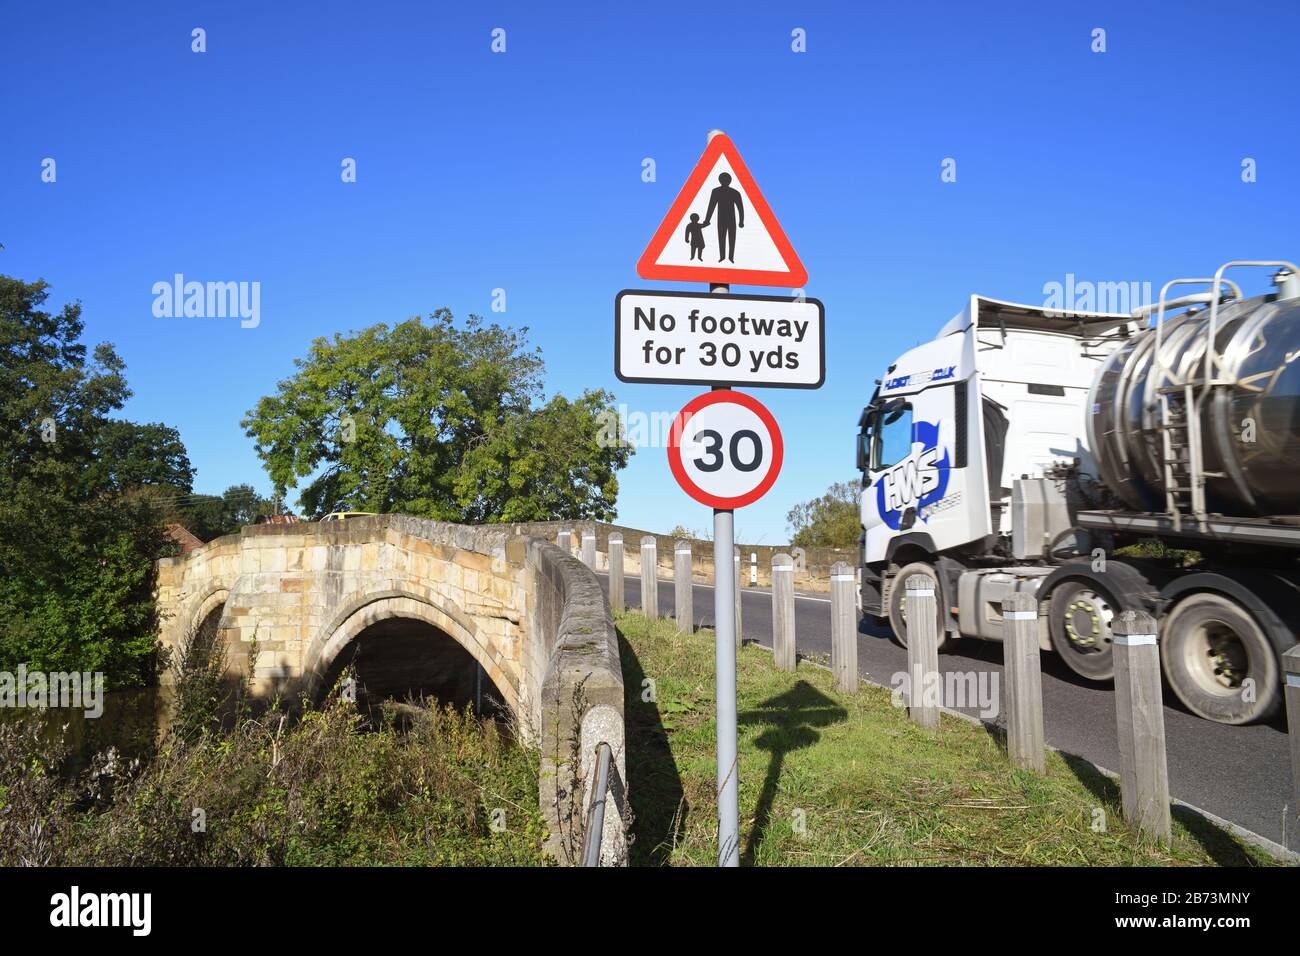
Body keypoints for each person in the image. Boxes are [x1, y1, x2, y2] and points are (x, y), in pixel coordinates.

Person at [702, 172, 744, 263]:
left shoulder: (735, 192)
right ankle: (723, 257)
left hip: (730, 219)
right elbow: (711, 206)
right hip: (721, 219)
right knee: (722, 237)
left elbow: (740, 208)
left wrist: (741, 221)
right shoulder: (716, 191)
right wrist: (707, 220)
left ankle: (730, 257)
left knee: (731, 238)